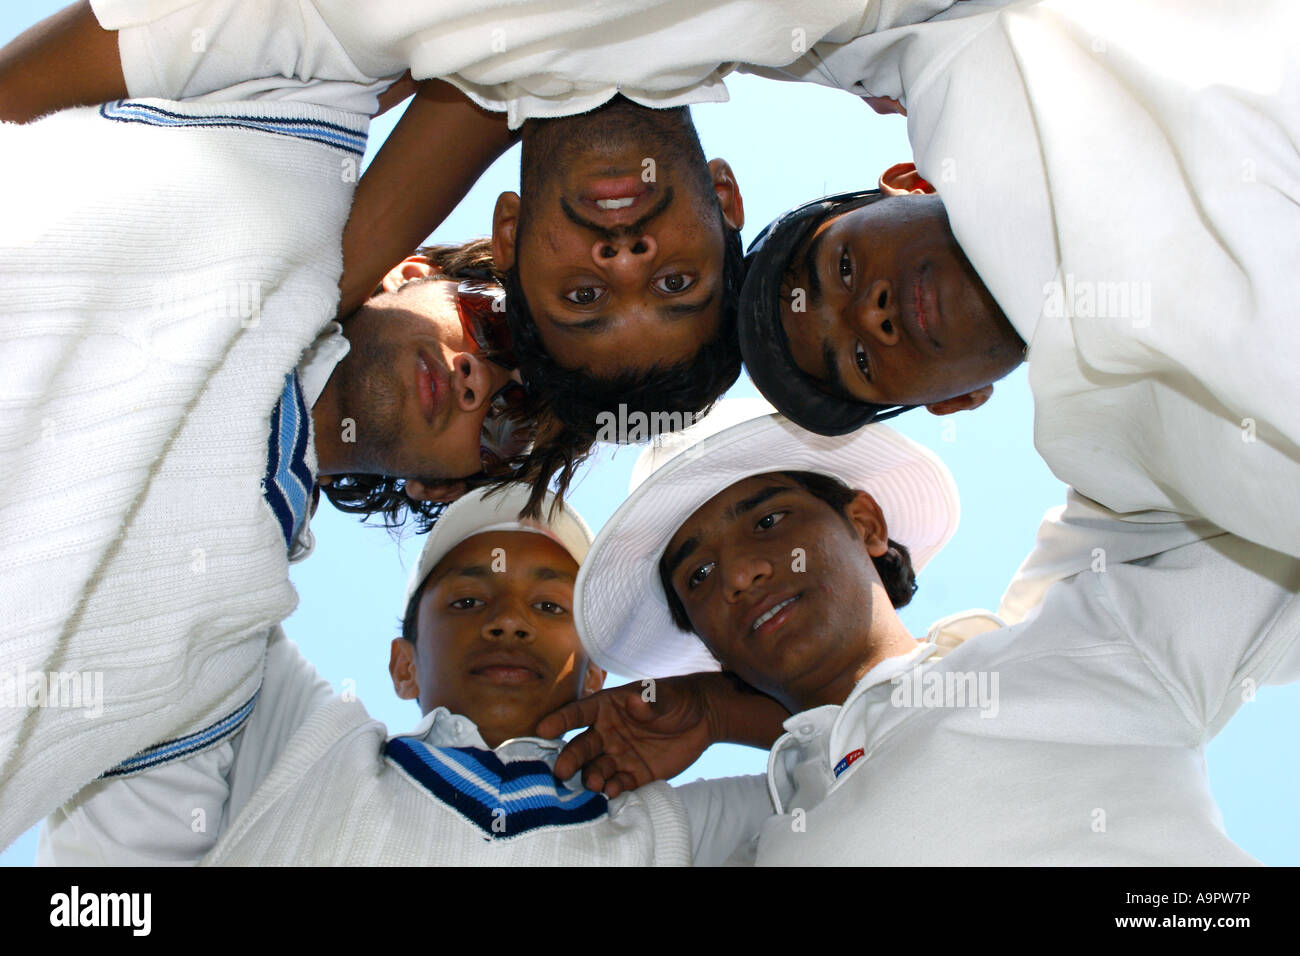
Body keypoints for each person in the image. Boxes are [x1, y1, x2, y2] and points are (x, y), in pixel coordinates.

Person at [565, 406, 1300, 864]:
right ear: (708, 644)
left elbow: (1234, 432)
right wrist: (719, 714)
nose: (739, 575)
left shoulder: (1082, 637)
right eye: (697, 579)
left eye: (768, 521)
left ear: (866, 525)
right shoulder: (757, 836)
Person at [730, 0, 1300, 565]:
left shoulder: (982, 51)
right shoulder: (1128, 482)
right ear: (957, 400)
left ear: (911, 180)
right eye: (859, 360)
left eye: (843, 269)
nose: (870, 314)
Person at [39, 486, 776, 865]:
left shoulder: (666, 828)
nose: (508, 621)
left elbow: (876, 745)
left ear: (596, 672)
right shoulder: (306, 742)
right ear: (403, 662)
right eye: (466, 600)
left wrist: (720, 714)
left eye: (550, 604)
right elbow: (197, 572)